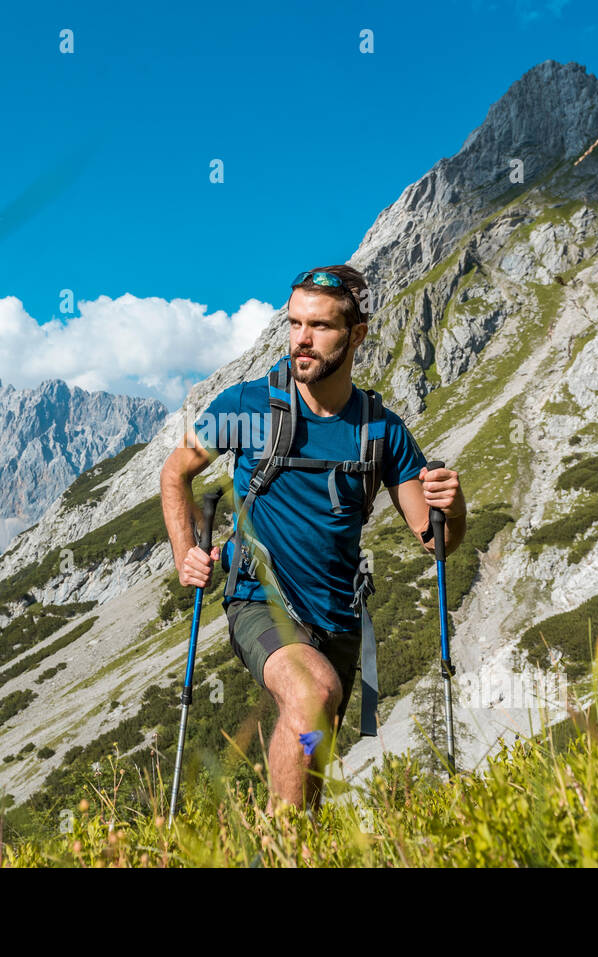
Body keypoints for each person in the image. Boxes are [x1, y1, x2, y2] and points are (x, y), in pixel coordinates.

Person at [159, 264, 466, 812]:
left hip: (340, 618)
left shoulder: (380, 429)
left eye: (320, 326)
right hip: (258, 598)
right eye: (295, 323)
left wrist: (453, 505)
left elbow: (435, 542)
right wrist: (187, 555)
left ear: (356, 335)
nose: (302, 338)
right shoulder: (248, 407)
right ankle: (287, 850)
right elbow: (175, 472)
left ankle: (297, 839)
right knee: (311, 694)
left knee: (313, 747)